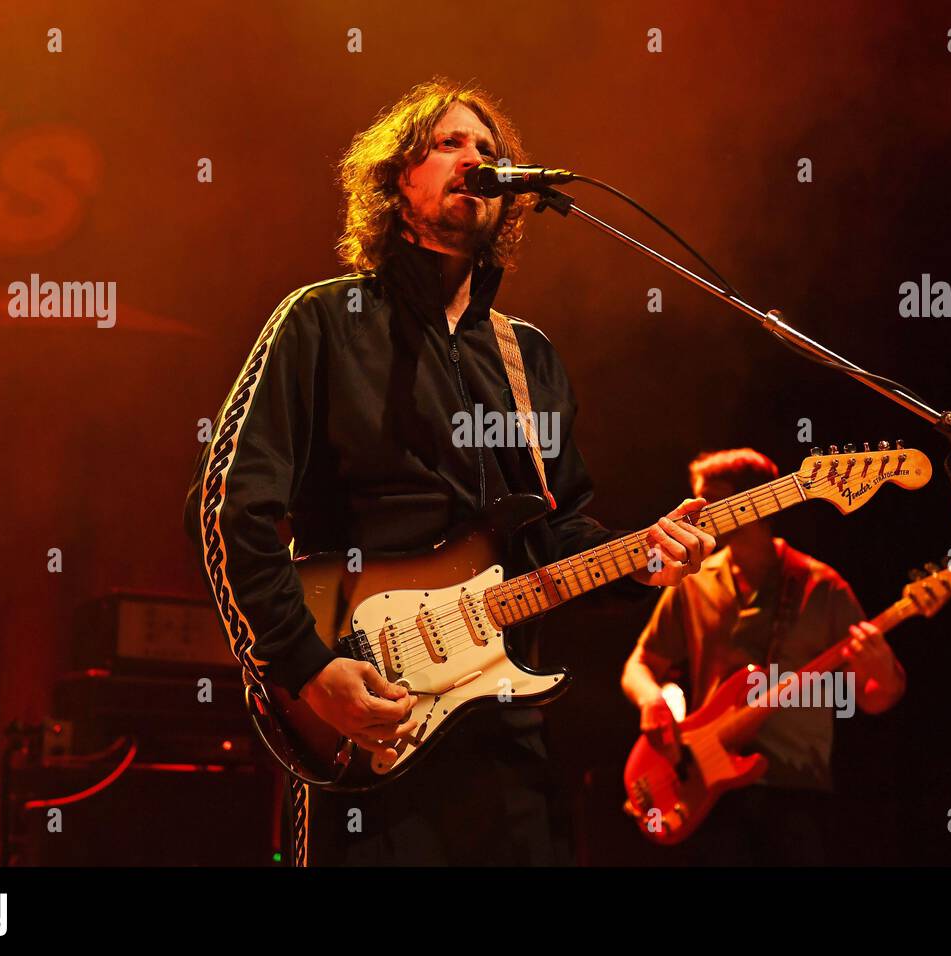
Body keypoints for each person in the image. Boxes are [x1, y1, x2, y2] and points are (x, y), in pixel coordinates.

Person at [183, 78, 716, 865]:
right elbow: (230, 506)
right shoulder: (321, 321)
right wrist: (305, 667)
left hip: (506, 731)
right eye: (450, 144)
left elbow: (557, 528)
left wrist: (643, 557)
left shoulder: (526, 357)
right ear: (400, 180)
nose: (476, 159)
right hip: (369, 712)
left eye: (490, 151)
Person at [620, 448, 906, 864]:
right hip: (706, 786)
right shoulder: (692, 585)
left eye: (712, 501)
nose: (697, 516)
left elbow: (876, 697)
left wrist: (882, 670)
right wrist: (651, 701)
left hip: (797, 790)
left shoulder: (822, 586)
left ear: (752, 502)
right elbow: (639, 665)